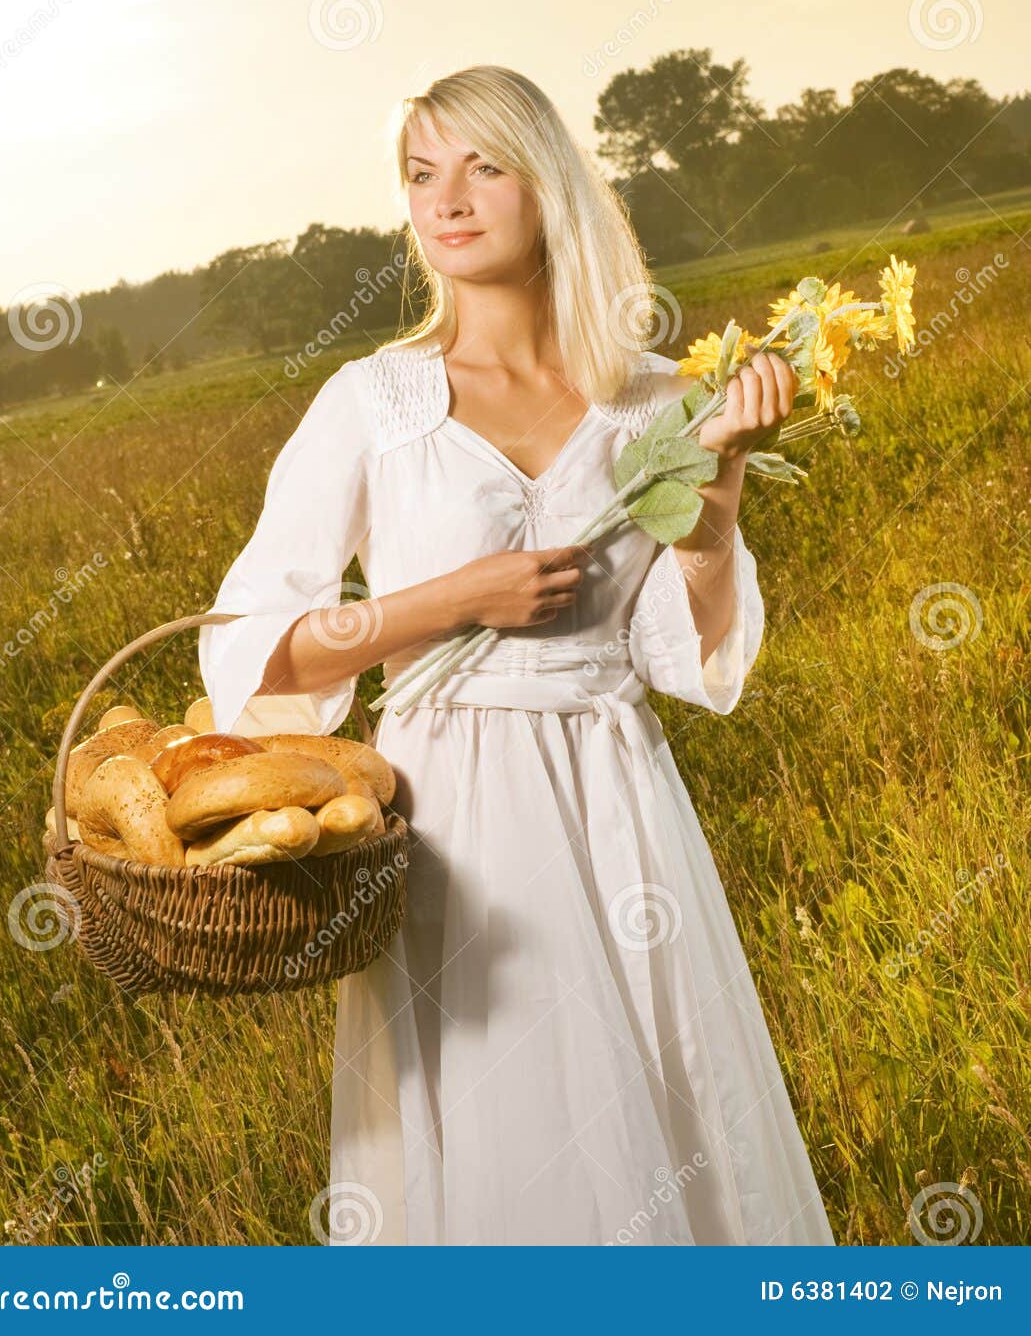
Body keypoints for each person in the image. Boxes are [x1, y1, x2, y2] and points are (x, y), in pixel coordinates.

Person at [198, 64, 836, 1247]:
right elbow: (253, 651)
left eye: (484, 165)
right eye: (422, 173)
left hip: (617, 800)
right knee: (507, 1131)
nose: (449, 198)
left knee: (661, 1102)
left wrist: (717, 506)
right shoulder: (372, 401)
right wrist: (449, 599)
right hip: (449, 818)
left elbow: (684, 658)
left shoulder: (656, 400)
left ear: (550, 185)